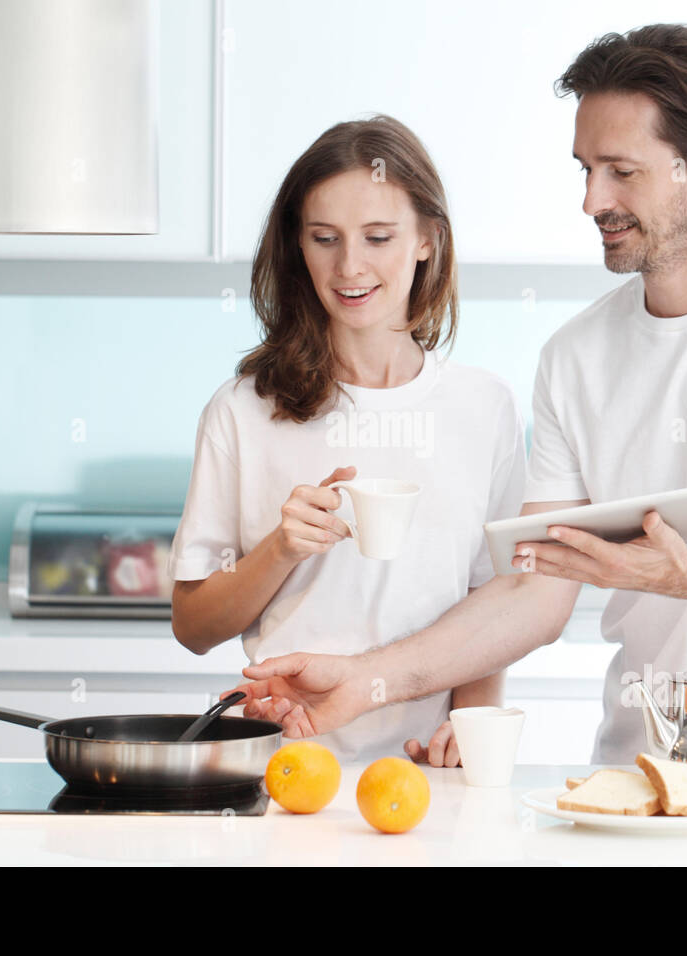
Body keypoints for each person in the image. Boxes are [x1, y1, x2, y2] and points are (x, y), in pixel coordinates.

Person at [230, 24, 687, 770]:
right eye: (585, 168)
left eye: (621, 171)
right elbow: (536, 586)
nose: (592, 199)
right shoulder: (576, 357)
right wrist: (369, 682)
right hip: (643, 788)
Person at [167, 115, 527, 766]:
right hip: (287, 765)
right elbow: (193, 627)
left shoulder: (485, 408)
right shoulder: (243, 412)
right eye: (324, 238)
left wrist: (470, 723)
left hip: (425, 775)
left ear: (427, 240)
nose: (350, 266)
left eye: (378, 237)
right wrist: (281, 549)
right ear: (297, 249)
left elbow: (494, 601)